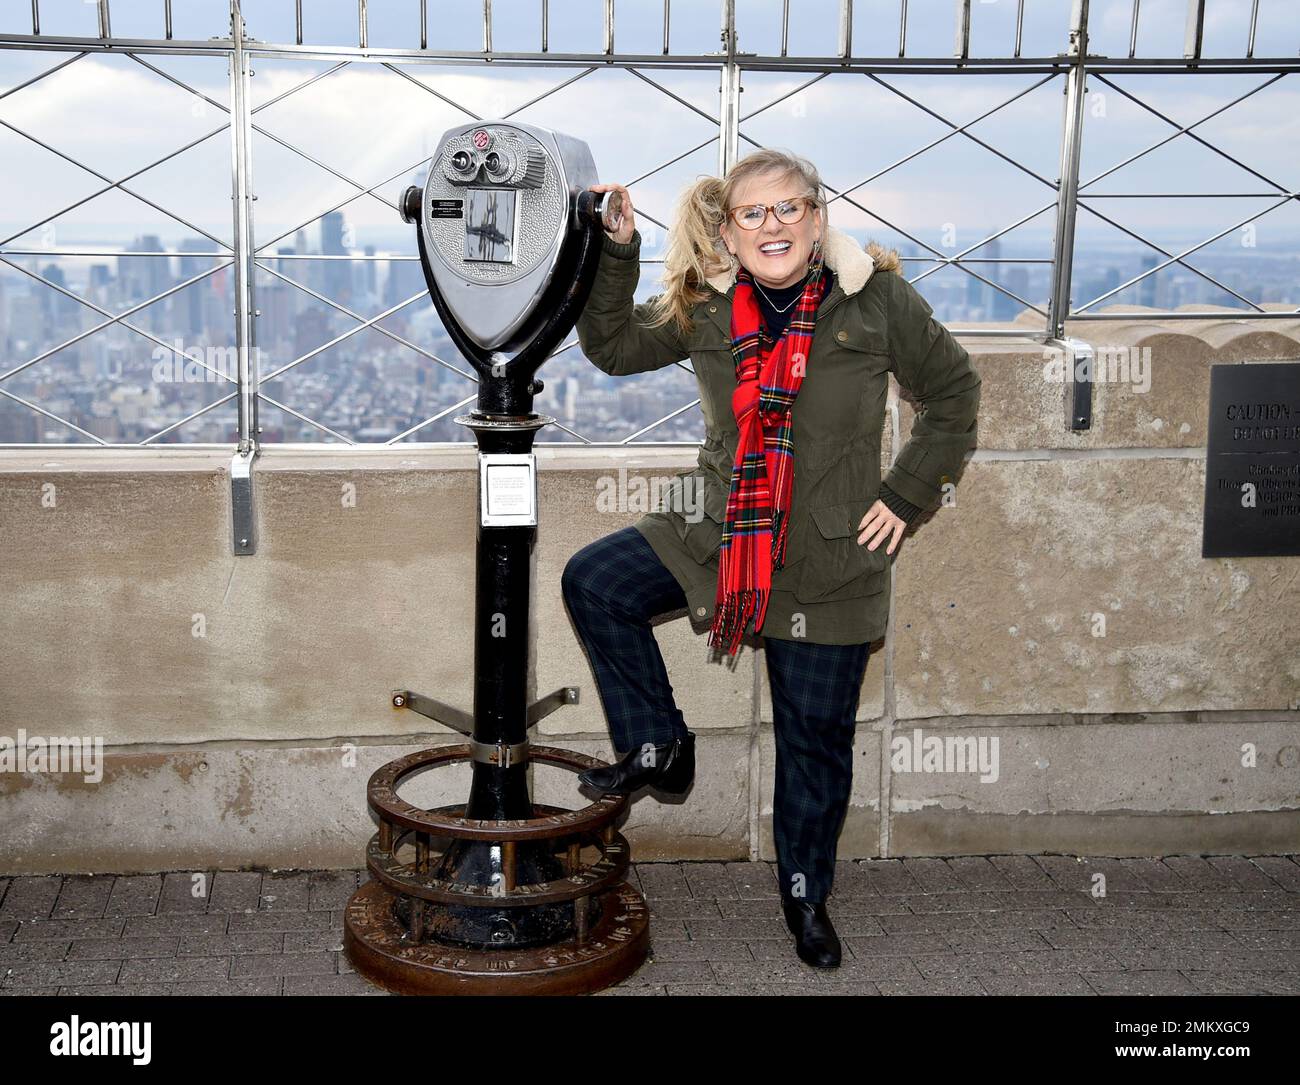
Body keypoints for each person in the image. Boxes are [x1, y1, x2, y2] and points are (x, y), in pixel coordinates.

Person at [561, 148, 981, 968]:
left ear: (817, 219)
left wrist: (904, 495)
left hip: (828, 557)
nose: (773, 225)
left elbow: (954, 393)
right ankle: (658, 743)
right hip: (718, 532)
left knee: (813, 742)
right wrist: (616, 251)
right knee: (596, 581)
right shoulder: (707, 307)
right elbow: (611, 347)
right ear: (730, 230)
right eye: (754, 213)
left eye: (790, 208)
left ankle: (803, 892)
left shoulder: (876, 300)